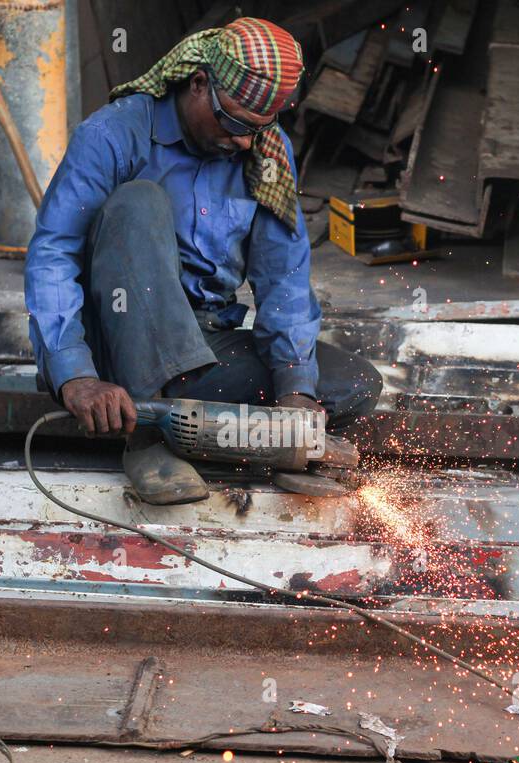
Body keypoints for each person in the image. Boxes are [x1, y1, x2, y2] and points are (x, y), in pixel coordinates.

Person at [25, 17, 382, 504]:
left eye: (256, 129)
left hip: (202, 346)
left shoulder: (263, 151)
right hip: (113, 344)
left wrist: (295, 393)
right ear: (198, 84)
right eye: (234, 122)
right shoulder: (116, 133)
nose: (242, 141)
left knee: (352, 383)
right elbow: (52, 255)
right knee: (139, 203)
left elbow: (285, 280)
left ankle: (223, 434)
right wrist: (78, 377)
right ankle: (149, 437)